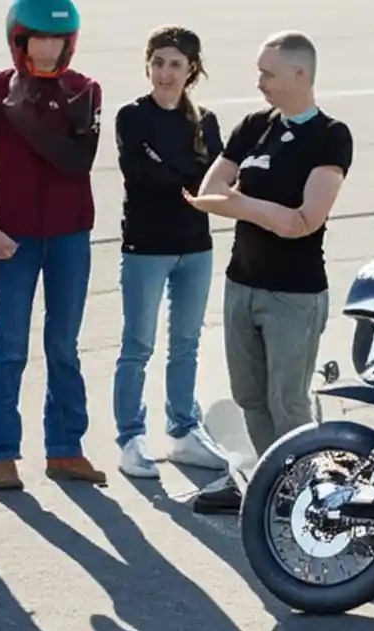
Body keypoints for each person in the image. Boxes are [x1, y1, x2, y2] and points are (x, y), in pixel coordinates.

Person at [183, 30, 353, 514]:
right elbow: (209, 191)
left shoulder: (331, 135)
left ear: (300, 75)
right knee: (250, 396)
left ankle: (310, 490)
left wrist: (240, 203)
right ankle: (269, 481)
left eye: (267, 73)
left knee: (289, 402)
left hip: (293, 295)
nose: (259, 82)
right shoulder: (254, 124)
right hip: (242, 284)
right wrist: (258, 209)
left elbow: (304, 221)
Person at [0, 0, 106, 491]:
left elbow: (76, 161)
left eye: (55, 39)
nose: (46, 49)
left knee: (63, 346)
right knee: (10, 348)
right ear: (18, 40)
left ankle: (66, 448)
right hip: (14, 241)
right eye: (36, 39)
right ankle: (0, 452)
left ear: (69, 41)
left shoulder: (85, 90)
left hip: (70, 238)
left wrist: (24, 113)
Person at [112, 25, 231, 479]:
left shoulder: (206, 122)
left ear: (191, 70)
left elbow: (216, 182)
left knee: (186, 345)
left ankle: (183, 431)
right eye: (158, 62)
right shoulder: (132, 117)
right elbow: (143, 175)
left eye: (175, 64)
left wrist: (177, 170)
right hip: (146, 248)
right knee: (137, 346)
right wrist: (187, 174)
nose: (164, 72)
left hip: (195, 249)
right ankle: (130, 437)